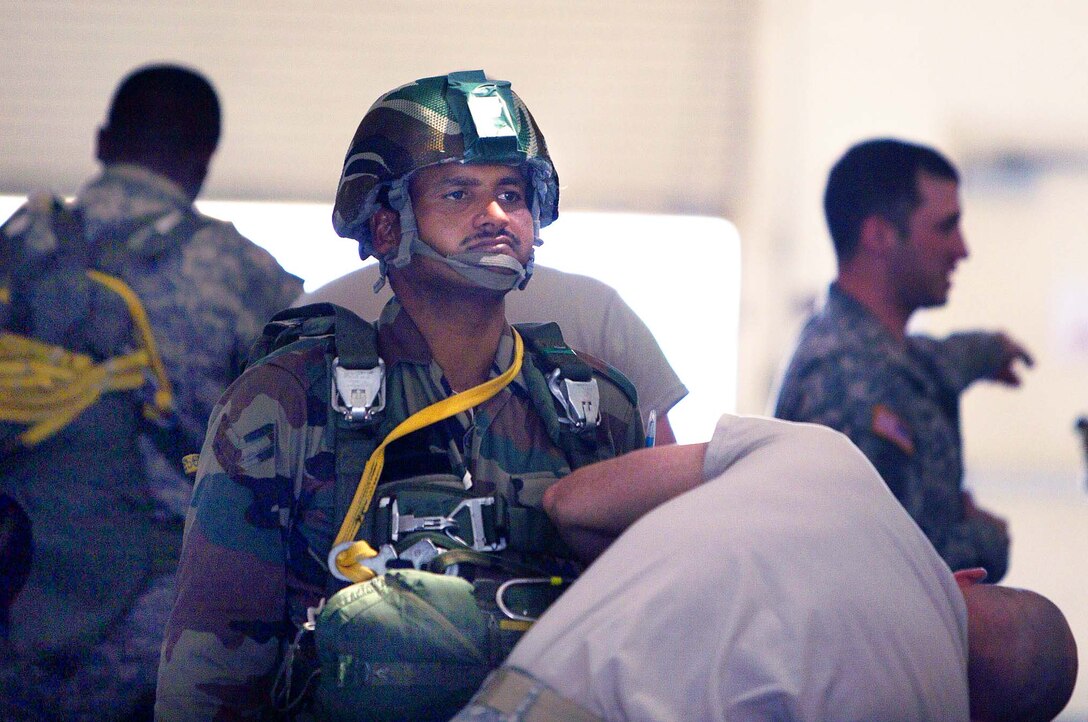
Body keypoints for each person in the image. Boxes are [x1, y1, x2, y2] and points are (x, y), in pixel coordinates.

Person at [156, 70, 643, 721]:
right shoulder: (288, 401)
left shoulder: (592, 406)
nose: (496, 215)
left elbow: (642, 649)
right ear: (386, 228)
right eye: (457, 191)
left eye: (512, 192)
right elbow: (208, 674)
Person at [0, 64, 302, 720]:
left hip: (12, 599)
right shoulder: (240, 273)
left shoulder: (14, 250)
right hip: (153, 621)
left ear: (103, 142)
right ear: (204, 158)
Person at [453, 415, 1078, 722]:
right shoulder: (927, 703)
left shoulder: (828, 453)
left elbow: (573, 502)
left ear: (965, 578)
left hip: (504, 700)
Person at [772, 138, 1032, 581]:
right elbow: (890, 571)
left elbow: (937, 359)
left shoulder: (873, 349)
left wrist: (992, 350)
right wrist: (987, 537)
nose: (962, 249)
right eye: (945, 227)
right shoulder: (851, 383)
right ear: (880, 236)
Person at [297, 263, 687, 444]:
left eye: (507, 193)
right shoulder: (595, 309)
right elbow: (666, 511)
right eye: (459, 193)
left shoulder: (318, 310)